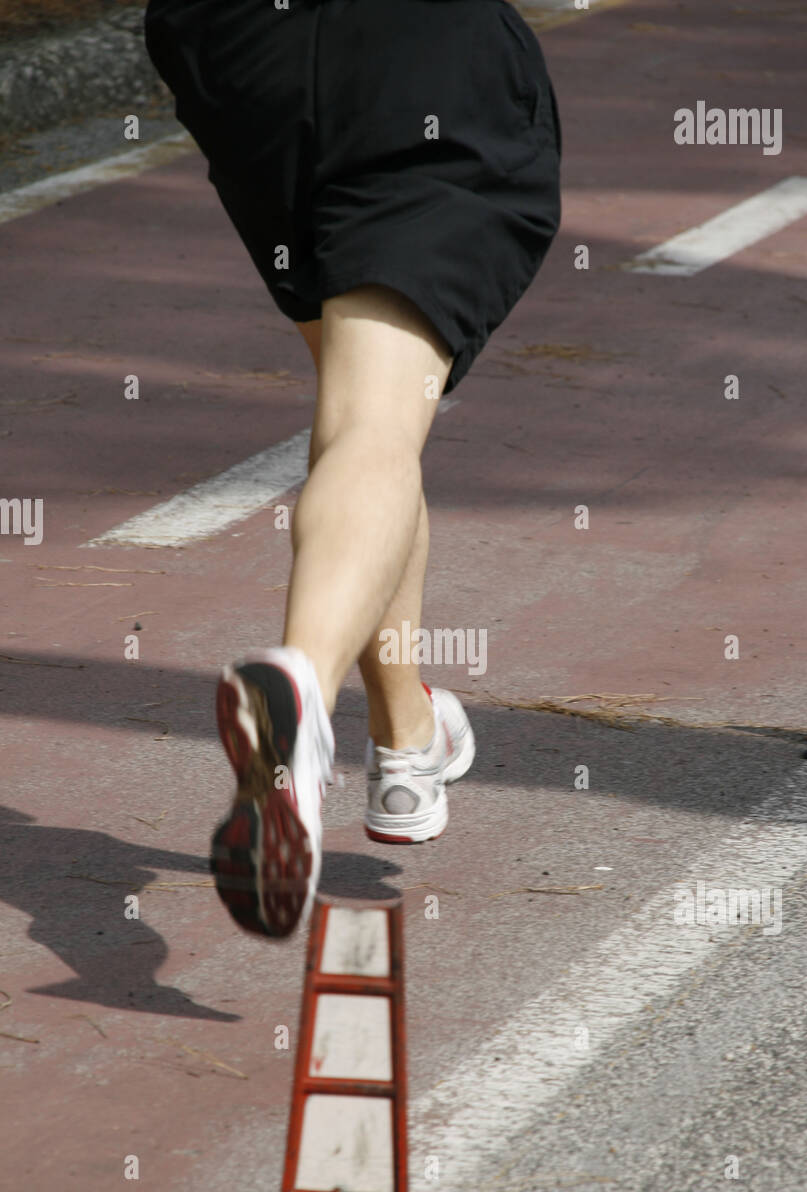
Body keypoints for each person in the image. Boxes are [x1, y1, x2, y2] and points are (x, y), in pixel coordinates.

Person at [144, 0, 561, 938]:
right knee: (376, 419)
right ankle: (300, 696)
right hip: (419, 50)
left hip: (244, 52)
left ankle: (407, 742)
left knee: (363, 408)